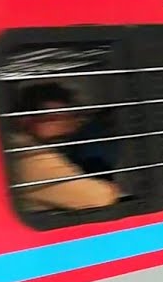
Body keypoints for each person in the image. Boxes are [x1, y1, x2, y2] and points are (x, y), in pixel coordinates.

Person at [8, 82, 120, 212]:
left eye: (68, 117)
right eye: (55, 118)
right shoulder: (29, 157)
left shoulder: (20, 146)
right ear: (25, 120)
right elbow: (97, 198)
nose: (66, 125)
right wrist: (111, 189)